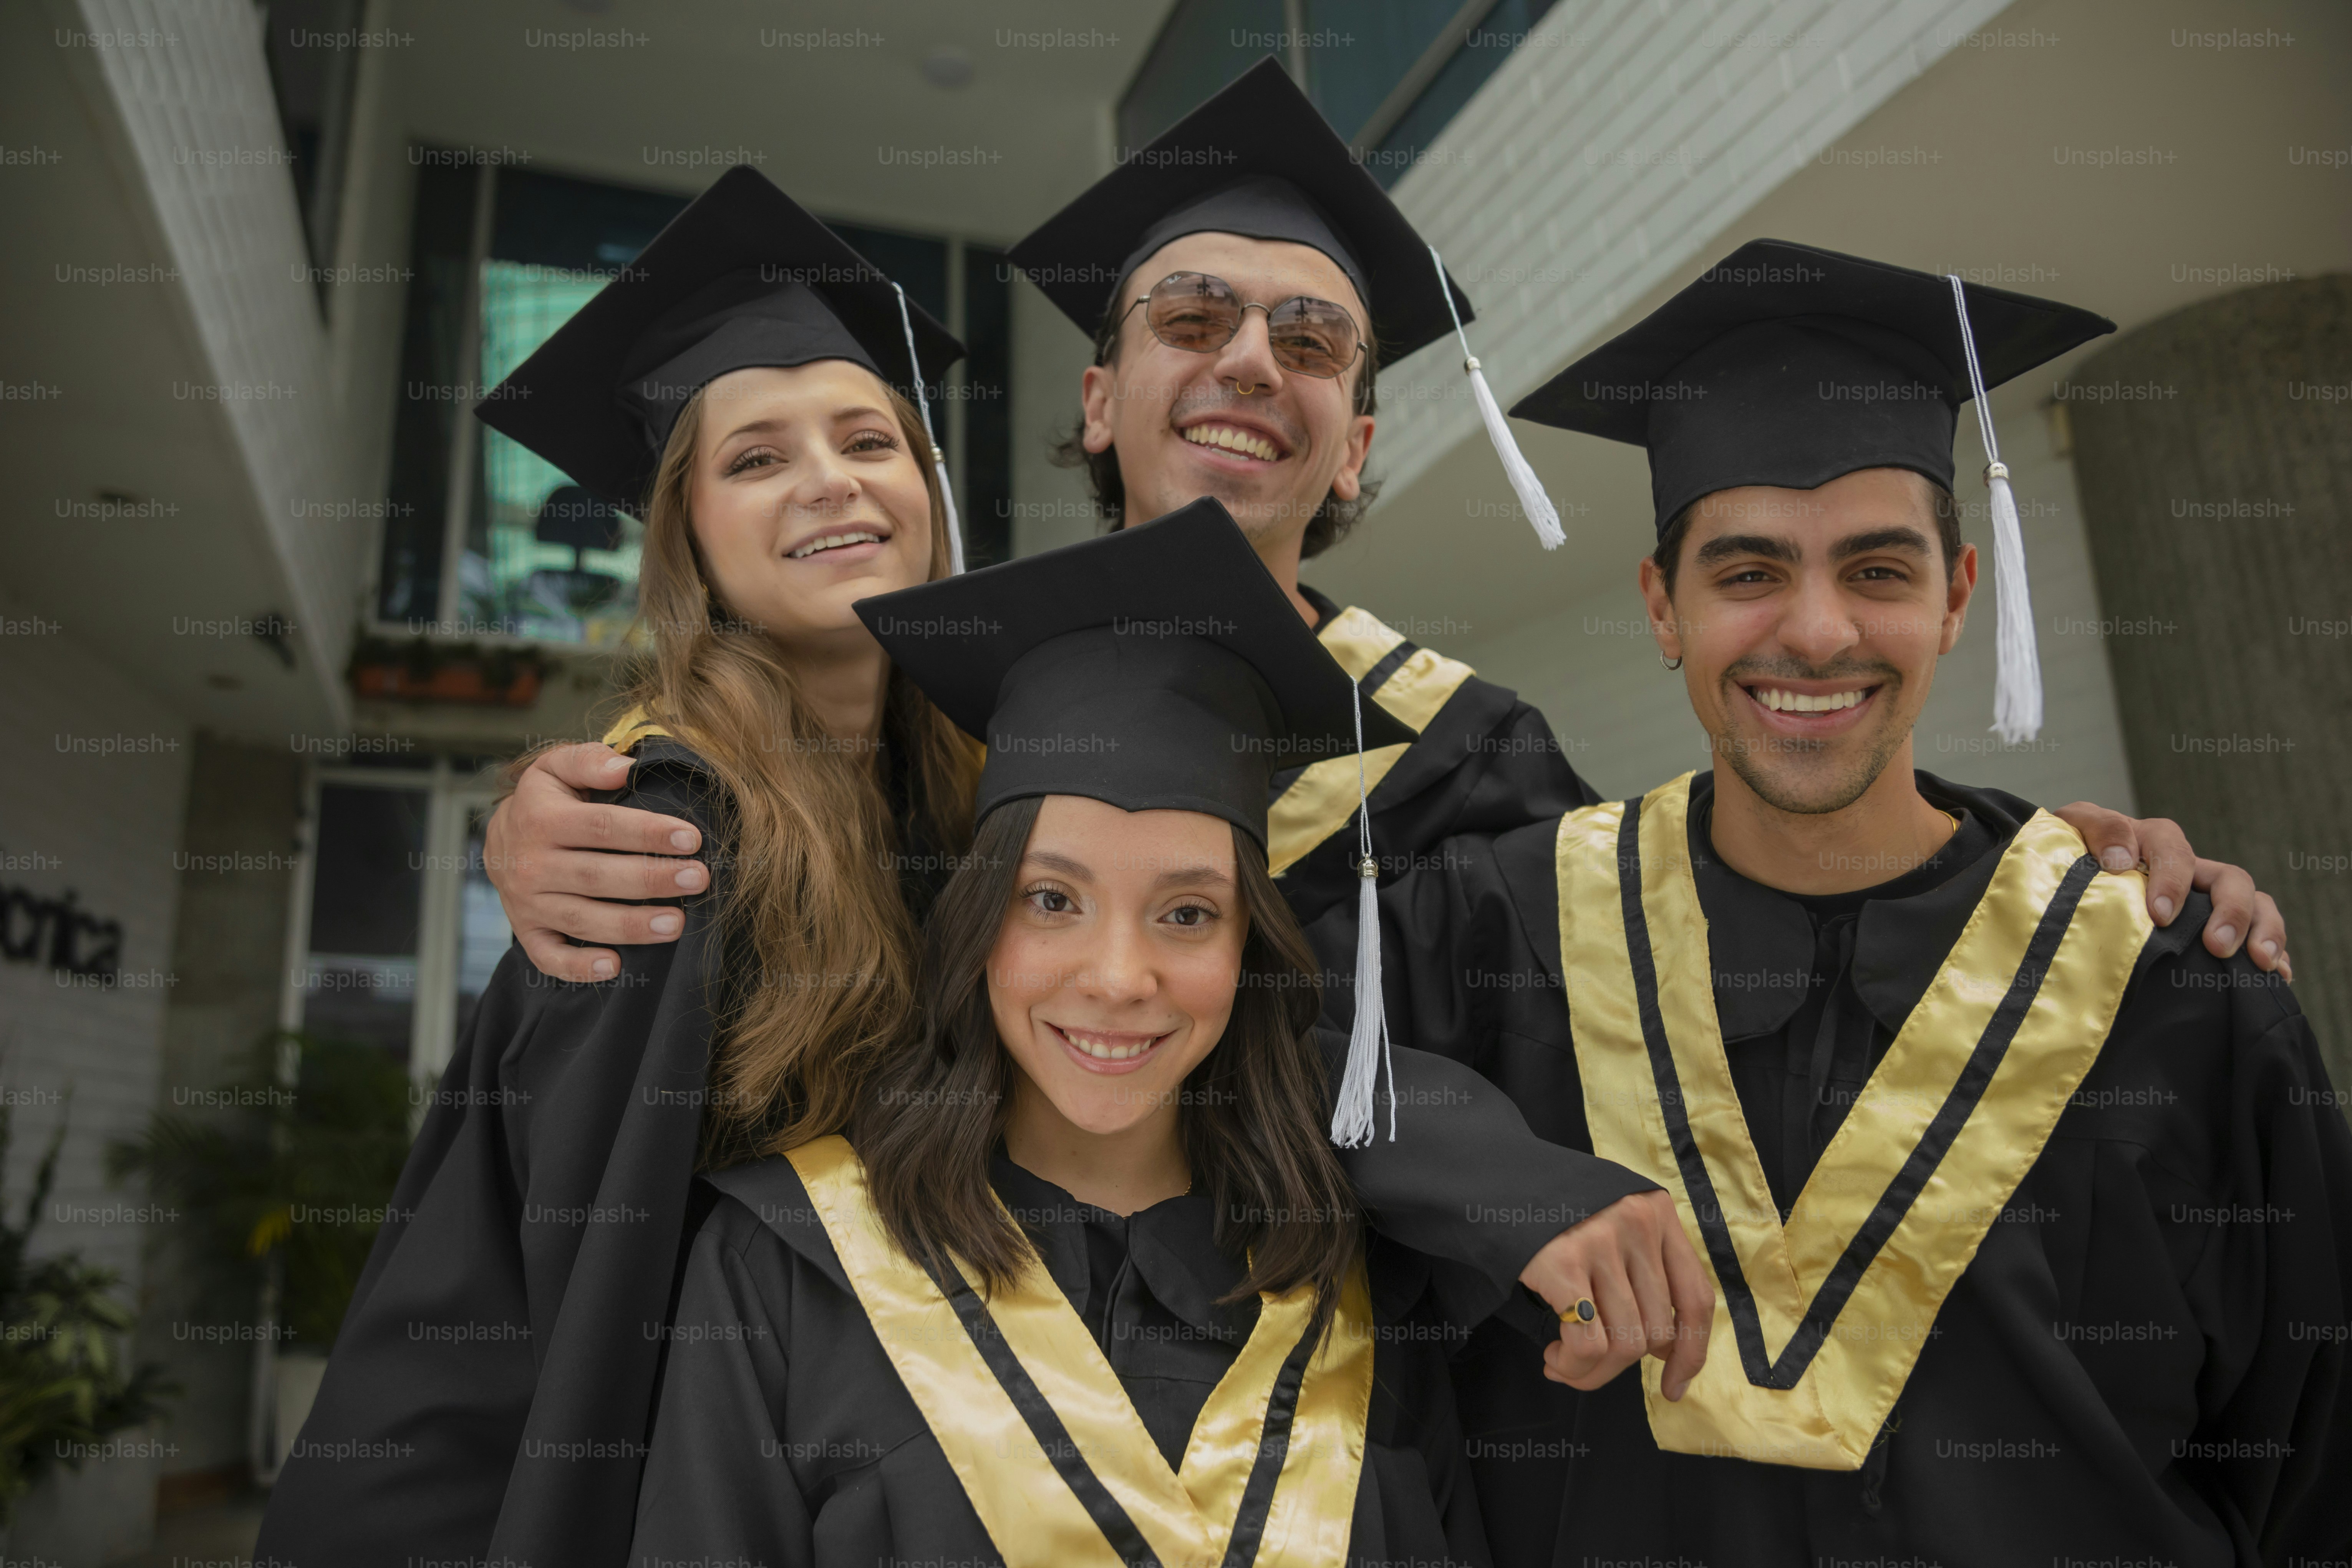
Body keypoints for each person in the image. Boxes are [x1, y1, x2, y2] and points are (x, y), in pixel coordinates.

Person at [1315, 241, 2351, 1568]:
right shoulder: (1491, 933)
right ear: (1662, 608)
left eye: (1877, 570)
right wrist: (1506, 1188)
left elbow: (2312, 1460)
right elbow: (1258, 1064)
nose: (1814, 631)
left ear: (1957, 597)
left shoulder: (2171, 985)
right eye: (1747, 573)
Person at [256, 167, 981, 1568]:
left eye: (868, 439)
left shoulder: (967, 795)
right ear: (691, 542)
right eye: (755, 458)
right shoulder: (663, 839)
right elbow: (588, 1307)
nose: (831, 479)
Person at [628, 499, 1498, 1566]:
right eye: (1051, 899)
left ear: (1248, 952)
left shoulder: (1355, 1293)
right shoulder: (787, 1267)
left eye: (1187, 912)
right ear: (976, 923)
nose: (1119, 977)